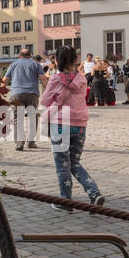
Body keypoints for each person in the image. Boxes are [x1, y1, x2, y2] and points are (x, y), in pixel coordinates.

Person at [40, 46, 104, 210]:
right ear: (75, 59)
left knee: (63, 164)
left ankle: (66, 202)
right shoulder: (82, 79)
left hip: (61, 123)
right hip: (80, 124)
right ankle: (94, 193)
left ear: (57, 60)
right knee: (74, 162)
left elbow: (44, 101)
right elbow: (82, 97)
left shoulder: (55, 79)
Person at [2, 47, 46, 150]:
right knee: (32, 118)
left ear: (19, 56)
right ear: (30, 56)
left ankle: (19, 143)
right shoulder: (36, 64)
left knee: (18, 118)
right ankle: (31, 143)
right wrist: (47, 92)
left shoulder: (13, 64)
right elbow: (43, 79)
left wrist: (1, 92)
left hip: (16, 94)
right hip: (32, 94)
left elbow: (5, 80)